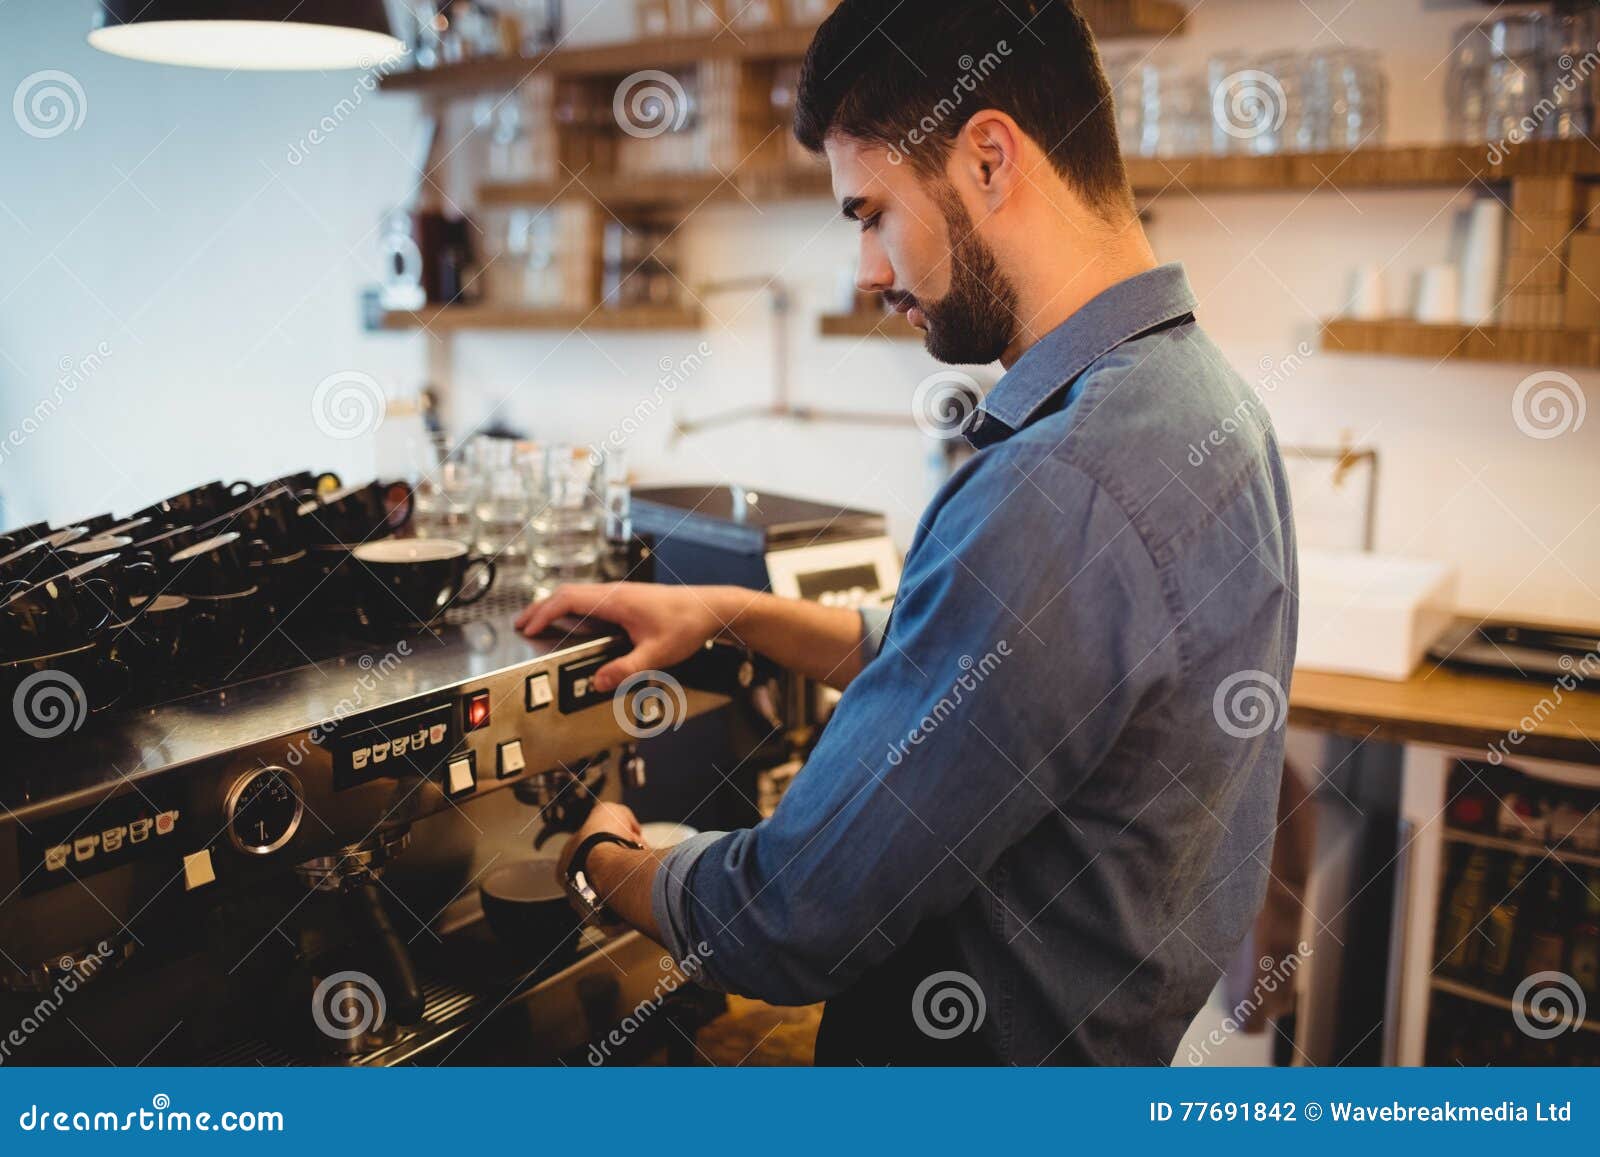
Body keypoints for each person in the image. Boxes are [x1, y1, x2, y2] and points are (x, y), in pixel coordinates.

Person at [516, 0, 1298, 1065]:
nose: (869, 273)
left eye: (870, 212)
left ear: (987, 158)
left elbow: (790, 914)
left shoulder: (1057, 482)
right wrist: (730, 612)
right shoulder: (1208, 407)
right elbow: (988, 678)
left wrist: (605, 855)